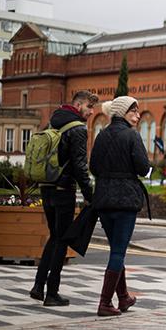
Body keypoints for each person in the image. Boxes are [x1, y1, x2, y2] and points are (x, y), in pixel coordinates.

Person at [30, 91, 98, 306]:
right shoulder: (78, 128)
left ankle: (38, 286)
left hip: (46, 187)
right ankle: (52, 293)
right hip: (63, 189)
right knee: (62, 239)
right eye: (89, 107)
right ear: (78, 105)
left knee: (54, 236)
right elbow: (80, 165)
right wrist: (89, 195)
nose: (91, 112)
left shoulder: (53, 122)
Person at [89, 96, 150, 316]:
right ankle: (105, 303)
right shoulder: (132, 135)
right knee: (118, 252)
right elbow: (143, 168)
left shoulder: (101, 135)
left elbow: (93, 167)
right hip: (125, 200)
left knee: (116, 248)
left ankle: (123, 298)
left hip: (104, 199)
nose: (137, 116)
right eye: (134, 111)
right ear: (122, 112)